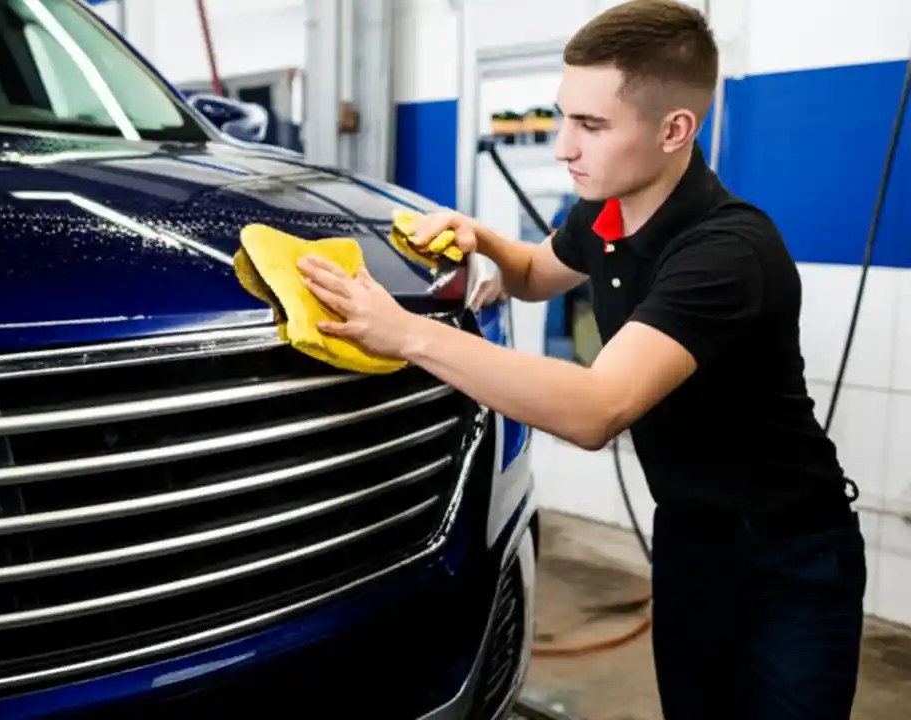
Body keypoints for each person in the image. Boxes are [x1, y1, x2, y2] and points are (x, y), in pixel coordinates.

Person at [295, 1, 866, 718]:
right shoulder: (605, 214)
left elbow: (597, 409)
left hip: (790, 555)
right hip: (690, 537)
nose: (565, 146)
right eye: (564, 116)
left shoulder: (727, 252)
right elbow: (536, 273)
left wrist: (406, 333)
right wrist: (482, 237)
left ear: (674, 130)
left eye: (591, 126)